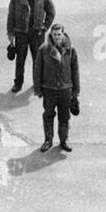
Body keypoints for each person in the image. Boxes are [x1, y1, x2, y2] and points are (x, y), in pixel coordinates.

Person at [32, 22, 80, 153]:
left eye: (59, 35)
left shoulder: (71, 50)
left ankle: (64, 140)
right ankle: (48, 140)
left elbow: (75, 71)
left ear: (63, 34)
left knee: (64, 117)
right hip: (49, 89)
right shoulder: (43, 50)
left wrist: (75, 92)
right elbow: (37, 70)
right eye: (54, 35)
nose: (57, 37)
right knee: (48, 115)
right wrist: (38, 89)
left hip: (65, 89)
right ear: (51, 35)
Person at [6, 0, 55, 92]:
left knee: (37, 60)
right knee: (20, 60)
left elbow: (51, 12)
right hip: (21, 33)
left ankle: (37, 83)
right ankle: (18, 83)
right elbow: (11, 14)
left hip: (37, 33)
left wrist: (45, 27)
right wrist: (10, 33)